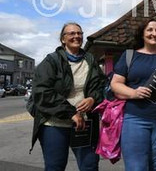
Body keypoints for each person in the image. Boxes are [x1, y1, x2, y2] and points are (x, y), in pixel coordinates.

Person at [30, 22, 105, 171]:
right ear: (63, 39)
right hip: (54, 124)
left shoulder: (90, 60)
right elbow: (42, 92)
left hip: (84, 123)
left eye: (79, 33)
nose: (76, 36)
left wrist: (93, 99)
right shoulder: (51, 61)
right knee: (55, 167)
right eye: (71, 33)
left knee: (89, 166)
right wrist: (71, 113)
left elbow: (101, 85)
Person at [110, 18, 156, 171]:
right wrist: (134, 92)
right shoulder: (130, 56)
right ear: (142, 34)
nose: (154, 33)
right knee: (136, 167)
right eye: (149, 30)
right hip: (135, 118)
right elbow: (115, 84)